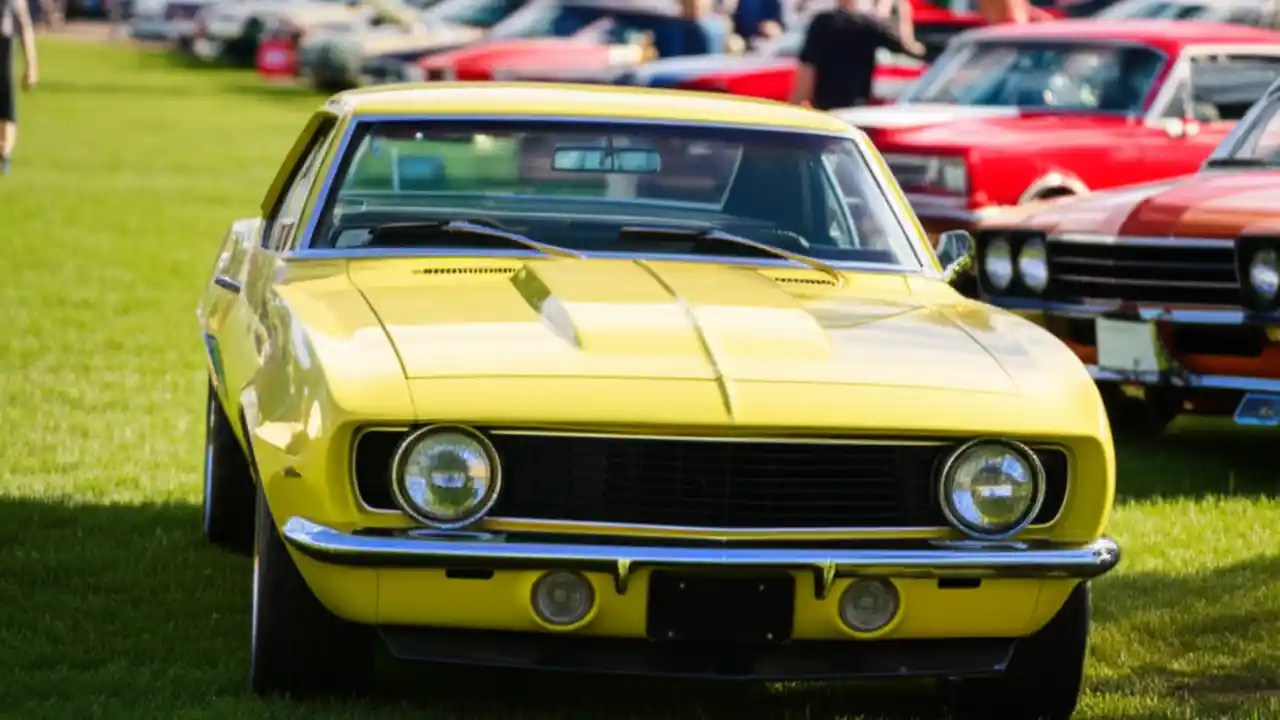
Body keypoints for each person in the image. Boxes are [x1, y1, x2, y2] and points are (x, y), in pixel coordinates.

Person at [789, 0, 925, 111]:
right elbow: (911, 49)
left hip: (825, 107)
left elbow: (807, 69)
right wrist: (903, 11)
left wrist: (796, 107)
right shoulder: (870, 25)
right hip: (856, 107)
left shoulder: (821, 23)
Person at [1, 0, 38, 175]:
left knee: (6, 106)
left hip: (4, 43)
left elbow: (24, 23)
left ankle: (4, 155)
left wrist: (31, 65)